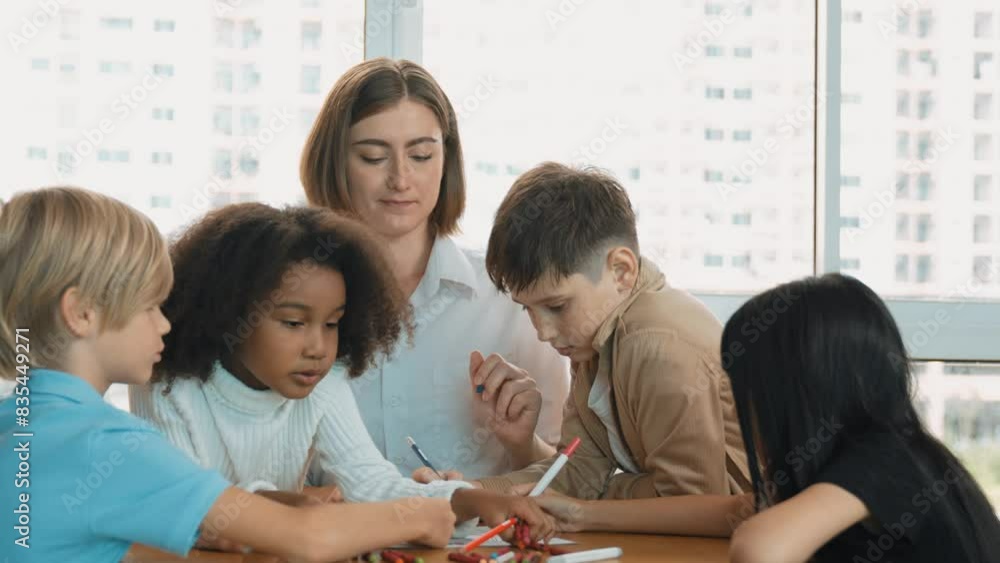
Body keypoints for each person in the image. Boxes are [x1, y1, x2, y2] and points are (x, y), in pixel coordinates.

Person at [0, 187, 460, 562]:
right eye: (149, 307)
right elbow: (307, 537)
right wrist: (418, 516)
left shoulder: (17, 423)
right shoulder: (104, 444)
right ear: (81, 313)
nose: (165, 323)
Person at [128, 203, 555, 551]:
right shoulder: (169, 386)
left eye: (332, 324)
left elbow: (372, 483)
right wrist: (289, 507)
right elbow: (192, 511)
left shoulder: (322, 381)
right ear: (231, 314)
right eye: (294, 323)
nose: (318, 346)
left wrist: (473, 499)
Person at [300, 57, 570, 479]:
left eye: (422, 155)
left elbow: (562, 481)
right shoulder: (289, 300)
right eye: (373, 157)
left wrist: (521, 443)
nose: (401, 179)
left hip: (474, 544)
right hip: (332, 541)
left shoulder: (511, 299)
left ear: (447, 161)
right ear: (334, 164)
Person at [474, 162, 751, 500]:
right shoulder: (593, 339)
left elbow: (691, 501)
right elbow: (576, 472)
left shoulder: (655, 345)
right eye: (527, 309)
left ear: (621, 272)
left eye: (557, 306)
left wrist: (588, 505)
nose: (543, 333)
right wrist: (461, 493)